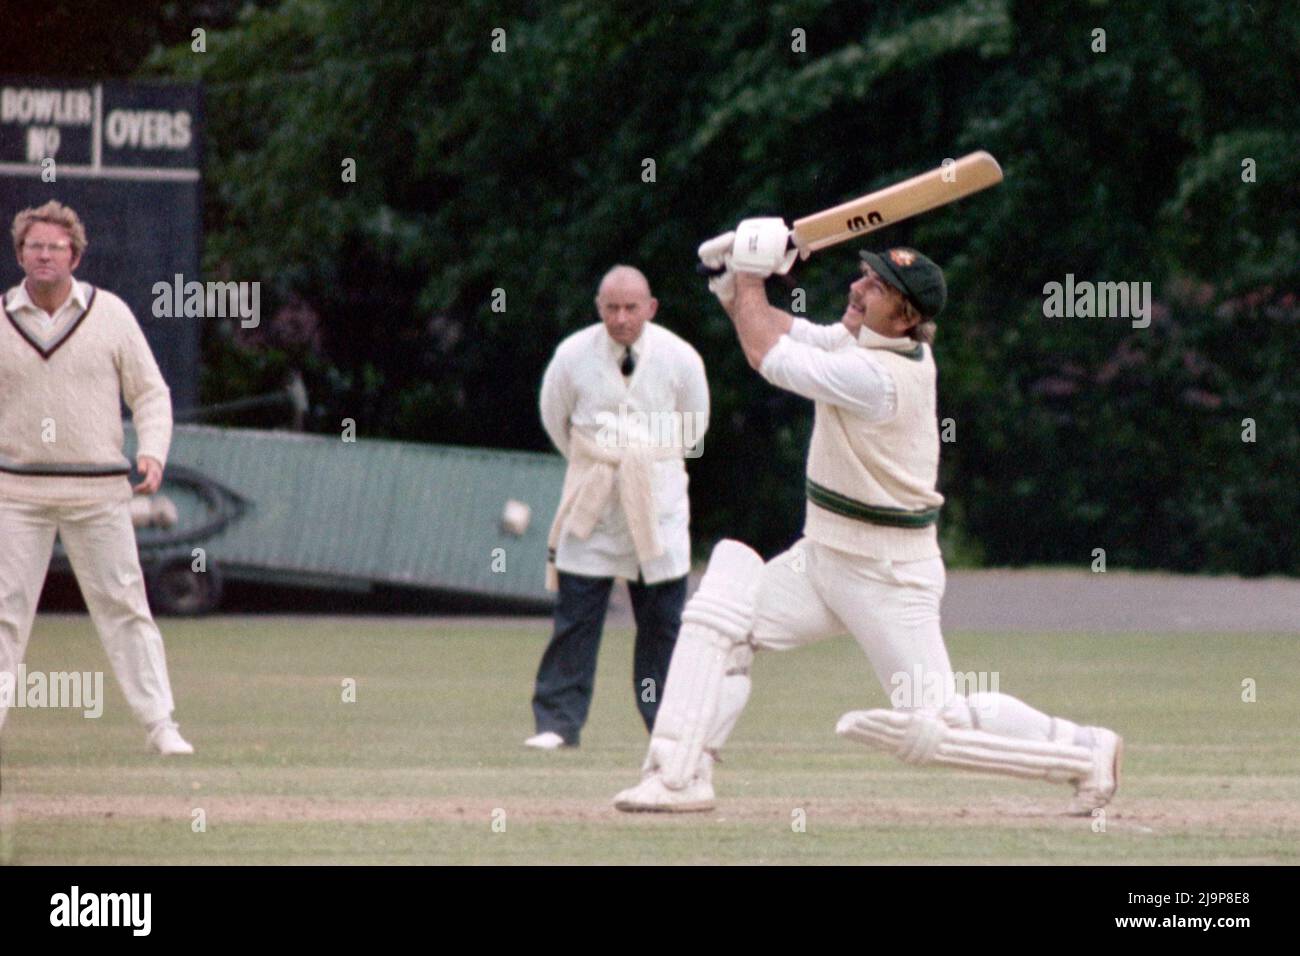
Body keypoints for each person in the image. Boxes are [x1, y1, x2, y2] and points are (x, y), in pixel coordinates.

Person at [613, 221, 1121, 813]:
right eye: (864, 276)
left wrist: (751, 277)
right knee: (720, 627)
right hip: (823, 558)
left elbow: (766, 354)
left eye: (875, 288)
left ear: (905, 318)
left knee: (939, 723)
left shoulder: (878, 377)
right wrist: (731, 286)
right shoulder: (861, 343)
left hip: (887, 576)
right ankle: (679, 775)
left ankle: (1086, 750)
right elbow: (782, 328)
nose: (856, 289)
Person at [0, 200, 193, 755]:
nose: (44, 255)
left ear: (75, 255)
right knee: (5, 613)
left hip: (98, 490)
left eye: (55, 246)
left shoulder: (110, 315)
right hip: (17, 491)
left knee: (124, 606)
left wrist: (153, 450)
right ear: (20, 254)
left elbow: (151, 392)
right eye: (34, 246)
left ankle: (162, 726)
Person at [526, 265, 709, 749]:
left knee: (663, 626)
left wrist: (644, 465)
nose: (622, 318)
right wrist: (601, 464)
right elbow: (555, 419)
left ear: (650, 308)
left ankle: (667, 730)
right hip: (594, 501)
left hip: (658, 505)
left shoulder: (680, 357)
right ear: (599, 308)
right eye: (612, 308)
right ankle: (557, 724)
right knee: (576, 620)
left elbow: (694, 430)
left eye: (631, 308)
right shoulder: (572, 355)